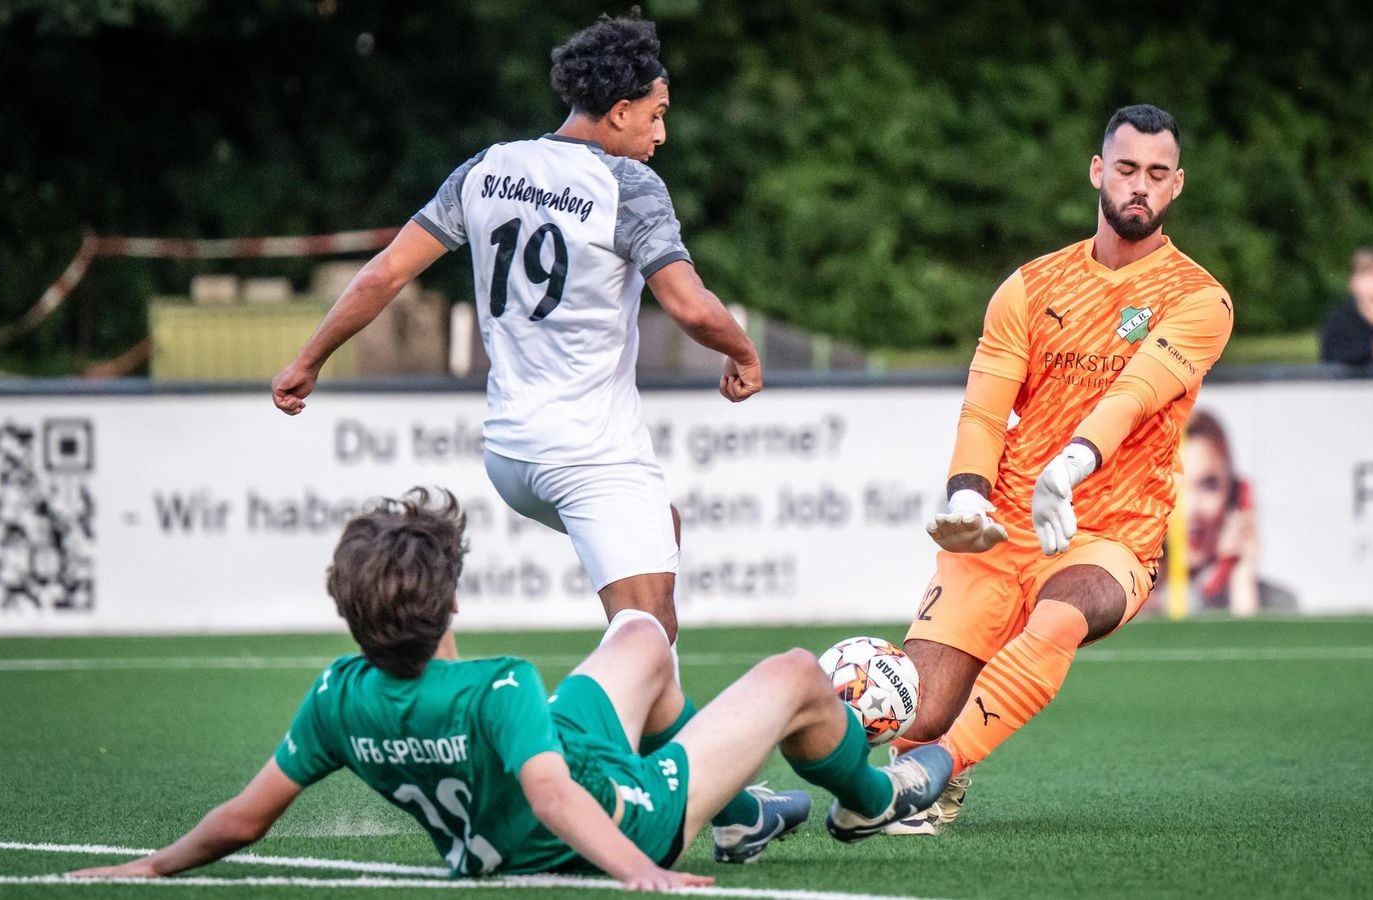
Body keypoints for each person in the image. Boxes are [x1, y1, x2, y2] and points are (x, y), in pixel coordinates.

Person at [70, 489, 952, 887]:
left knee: (641, 634)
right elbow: (553, 793)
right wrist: (643, 871)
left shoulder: (337, 697)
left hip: (539, 786)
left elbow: (245, 819)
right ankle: (875, 796)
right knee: (797, 673)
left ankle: (738, 812)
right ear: (452, 596)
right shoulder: (498, 688)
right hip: (623, 812)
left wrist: (152, 864)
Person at [270, 13, 759, 674]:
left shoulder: (488, 169)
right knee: (649, 638)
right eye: (656, 114)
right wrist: (744, 351)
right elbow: (690, 307)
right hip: (590, 455)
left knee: (662, 528)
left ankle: (654, 759)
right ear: (618, 113)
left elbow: (384, 272)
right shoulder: (627, 186)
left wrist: (308, 361)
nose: (661, 133)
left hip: (509, 456)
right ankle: (647, 770)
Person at [886, 104, 1233, 834]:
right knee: (913, 707)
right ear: (1098, 171)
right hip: (1003, 523)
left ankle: (938, 770)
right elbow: (984, 411)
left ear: (1178, 186)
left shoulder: (1200, 299)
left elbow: (1136, 394)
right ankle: (907, 758)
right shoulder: (1030, 287)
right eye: (1128, 168)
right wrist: (968, 499)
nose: (1141, 185)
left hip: (1112, 534)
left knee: (1062, 613)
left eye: (1158, 173)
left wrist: (1068, 467)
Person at [1177, 410, 1295, 615]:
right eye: (1174, 487)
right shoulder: (1128, 599)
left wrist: (1242, 585)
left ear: (1233, 497)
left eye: (1208, 486)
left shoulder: (1278, 603)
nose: (1191, 509)